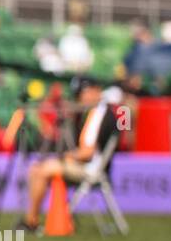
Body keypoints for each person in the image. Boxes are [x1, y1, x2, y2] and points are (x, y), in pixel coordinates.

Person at [20, 77, 122, 232]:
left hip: (91, 169)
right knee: (36, 168)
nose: (79, 99)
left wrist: (67, 156)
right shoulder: (92, 112)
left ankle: (31, 222)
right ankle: (31, 220)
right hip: (85, 164)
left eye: (81, 94)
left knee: (41, 169)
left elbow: (87, 153)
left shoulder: (100, 113)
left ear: (95, 90)